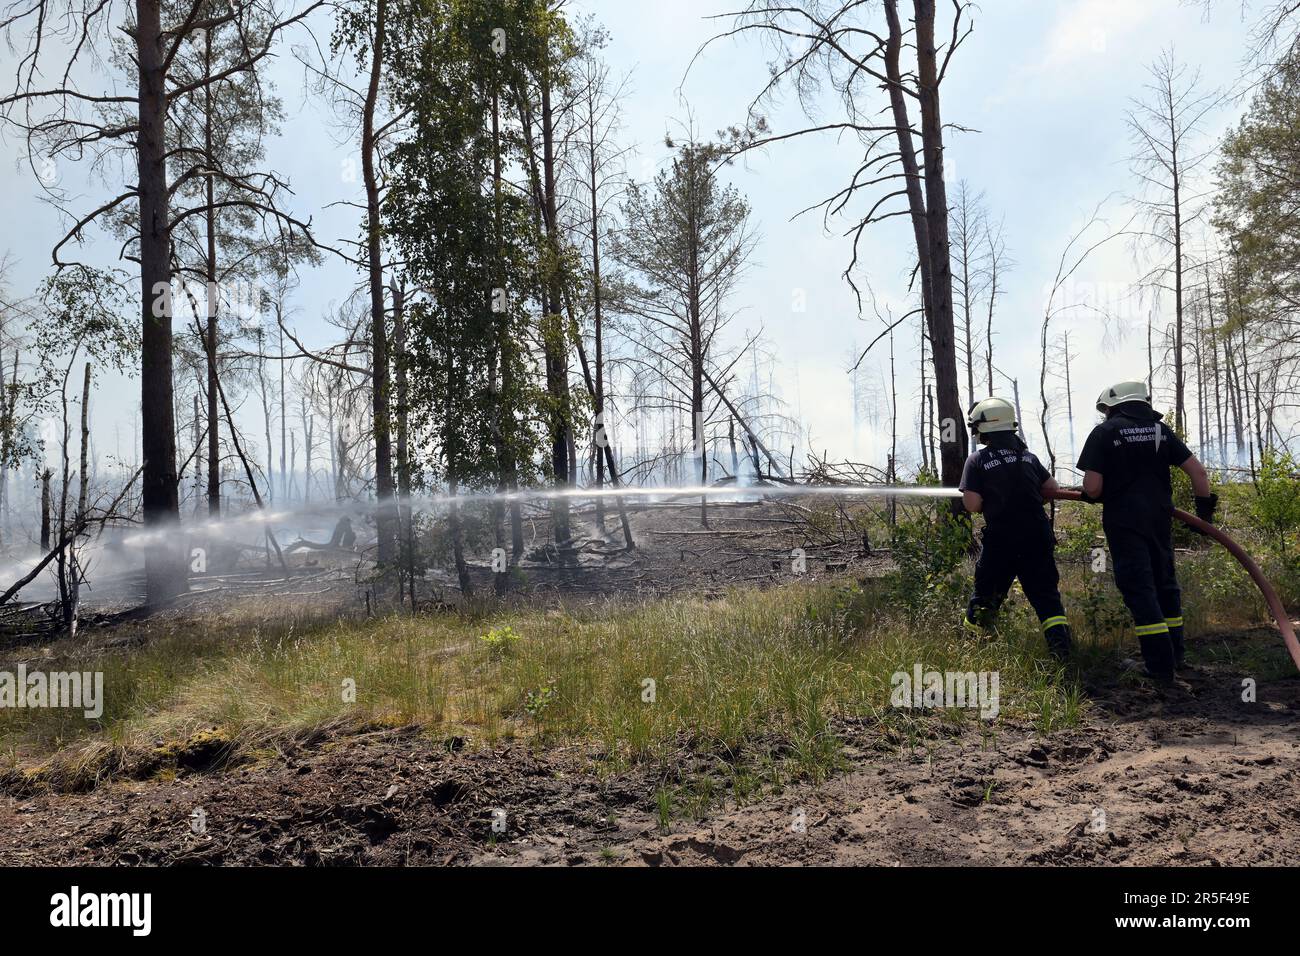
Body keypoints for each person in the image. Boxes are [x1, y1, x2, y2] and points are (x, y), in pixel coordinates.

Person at [1077, 381, 1217, 683]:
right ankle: (1176, 656)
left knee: (1139, 588)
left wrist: (1092, 493)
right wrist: (1203, 517)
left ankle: (1158, 666)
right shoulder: (1160, 431)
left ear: (1113, 407)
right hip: (1158, 519)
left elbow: (1092, 487)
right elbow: (1199, 472)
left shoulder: (1105, 433)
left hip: (1125, 522)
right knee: (1165, 584)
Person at [960, 397, 1072, 660]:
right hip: (1037, 536)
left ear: (984, 428)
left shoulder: (977, 460)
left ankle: (972, 651)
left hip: (1003, 541)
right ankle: (1062, 652)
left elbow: (973, 505)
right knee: (1046, 596)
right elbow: (1052, 489)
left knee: (986, 595)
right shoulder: (1028, 458)